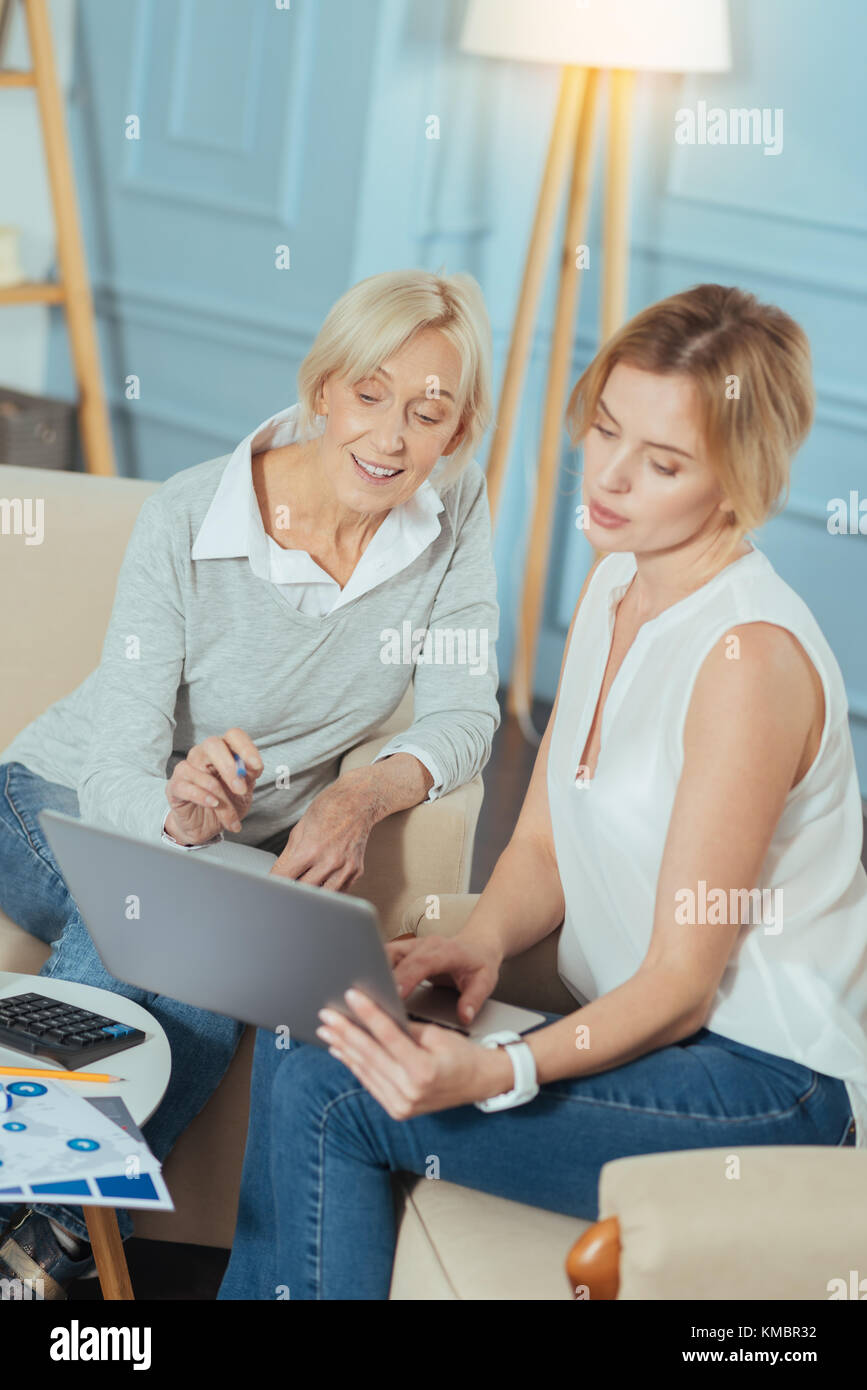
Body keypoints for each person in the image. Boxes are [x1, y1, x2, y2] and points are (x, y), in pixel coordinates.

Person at [218, 283, 867, 1301]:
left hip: (765, 1084)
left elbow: (686, 982)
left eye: (662, 463)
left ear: (740, 480)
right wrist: (476, 944)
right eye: (605, 429)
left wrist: (501, 1067)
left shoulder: (747, 658)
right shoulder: (618, 582)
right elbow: (541, 852)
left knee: (337, 1092)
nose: (607, 477)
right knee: (326, 1030)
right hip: (661, 1036)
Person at [0, 267, 501, 1296]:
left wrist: (360, 793)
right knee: (168, 923)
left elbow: (465, 714)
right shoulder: (190, 518)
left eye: (428, 410)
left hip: (229, 845)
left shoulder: (451, 518)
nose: (393, 435)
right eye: (369, 393)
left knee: (195, 953)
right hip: (58, 791)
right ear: (322, 389)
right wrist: (179, 819)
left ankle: (36, 1238)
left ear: (457, 430)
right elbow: (113, 761)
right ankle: (56, 1250)